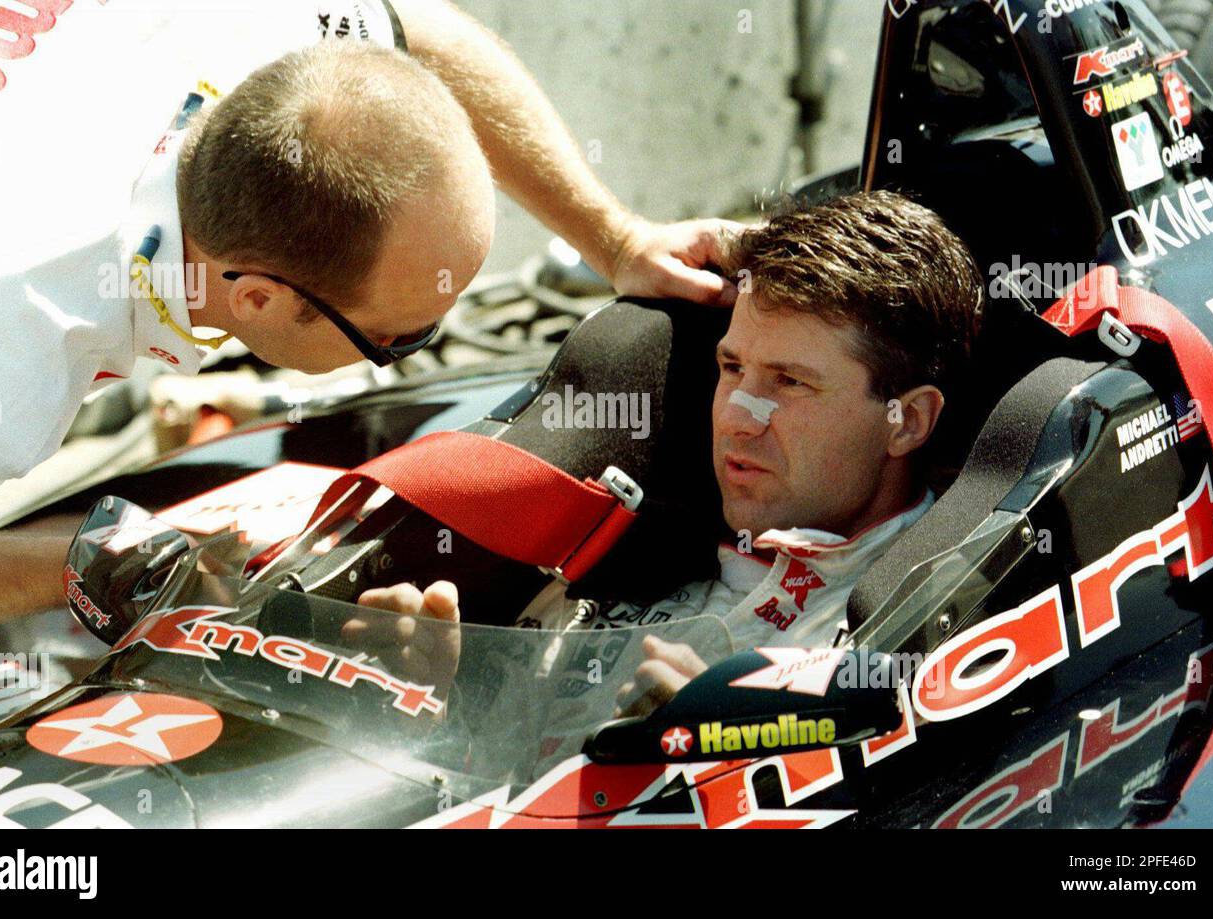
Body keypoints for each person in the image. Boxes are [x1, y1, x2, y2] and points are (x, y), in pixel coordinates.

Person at [0, 0, 739, 632]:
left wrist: (618, 238)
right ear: (258, 298)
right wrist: (91, 565)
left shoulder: (245, 24)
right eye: (400, 338)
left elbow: (414, 32)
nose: (426, 342)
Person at [355, 190, 985, 720]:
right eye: (731, 366)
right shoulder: (635, 529)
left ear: (907, 422)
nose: (738, 414)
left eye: (791, 382)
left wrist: (716, 764)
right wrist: (443, 695)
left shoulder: (929, 636)